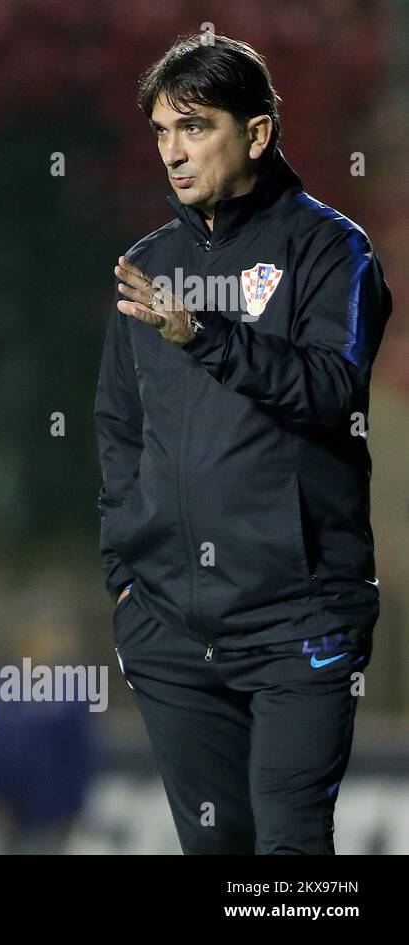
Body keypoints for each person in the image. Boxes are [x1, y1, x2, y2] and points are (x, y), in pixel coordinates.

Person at [95, 35, 392, 854]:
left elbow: (334, 389)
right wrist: (127, 579)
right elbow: (119, 429)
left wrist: (206, 336)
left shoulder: (333, 251)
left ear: (257, 134)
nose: (173, 152)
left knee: (291, 856)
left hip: (298, 618)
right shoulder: (147, 265)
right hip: (169, 627)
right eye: (160, 131)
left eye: (194, 127)